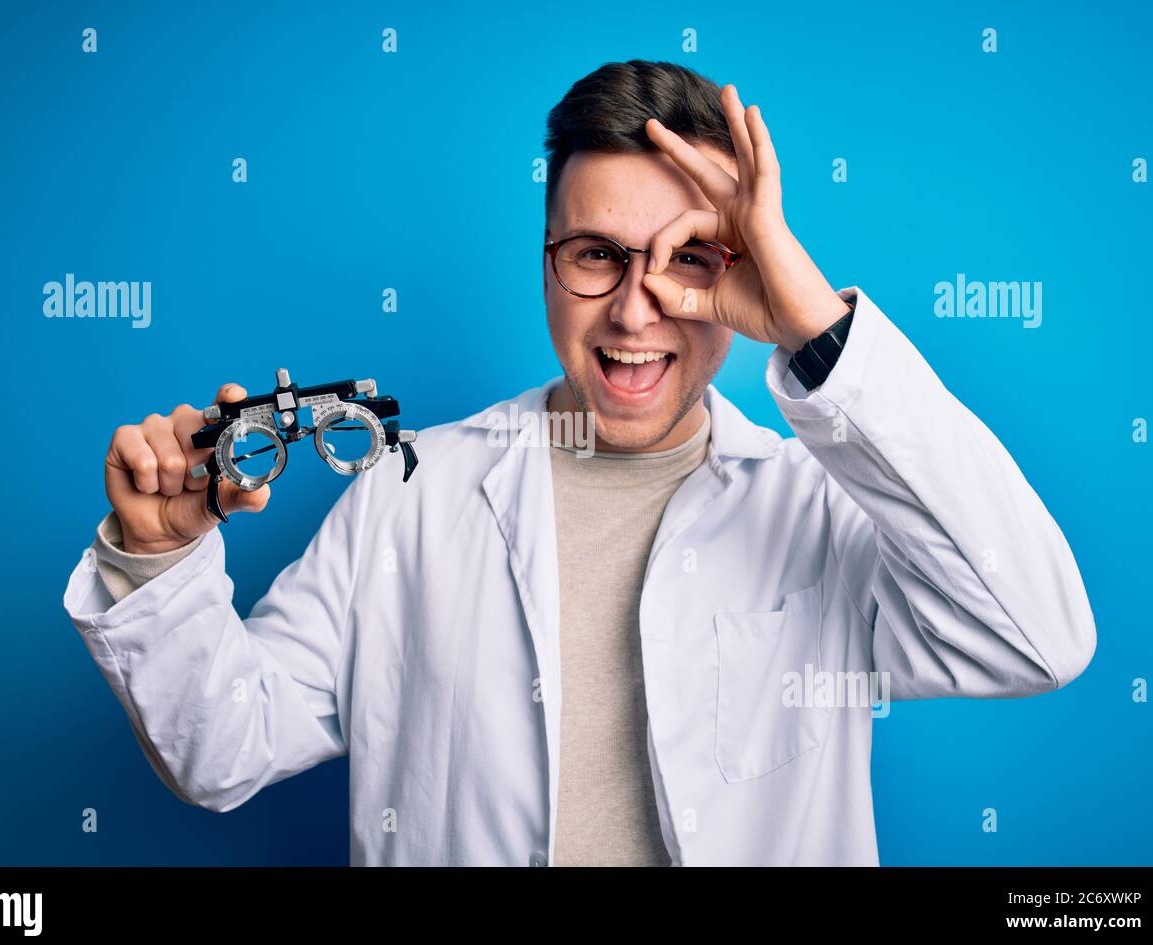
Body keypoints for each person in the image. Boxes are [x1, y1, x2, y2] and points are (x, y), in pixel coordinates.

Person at [63, 60, 1095, 866]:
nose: (638, 307)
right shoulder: (408, 499)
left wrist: (813, 327)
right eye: (596, 252)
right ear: (547, 261)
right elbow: (223, 749)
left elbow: (1036, 637)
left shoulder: (820, 509)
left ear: (740, 268)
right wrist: (157, 565)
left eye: (689, 256)